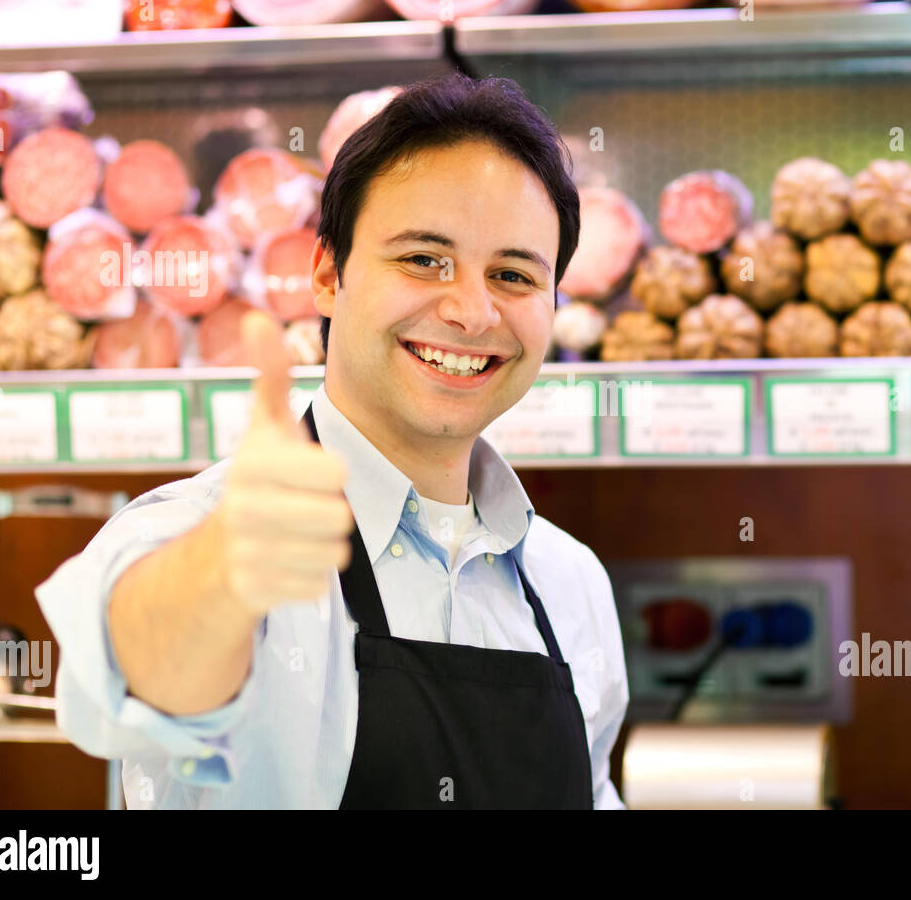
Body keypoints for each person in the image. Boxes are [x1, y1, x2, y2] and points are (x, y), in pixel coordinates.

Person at [36, 72, 629, 809]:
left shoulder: (572, 583)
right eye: (423, 259)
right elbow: (127, 675)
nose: (473, 312)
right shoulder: (211, 532)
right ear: (326, 272)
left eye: (512, 274)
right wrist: (220, 576)